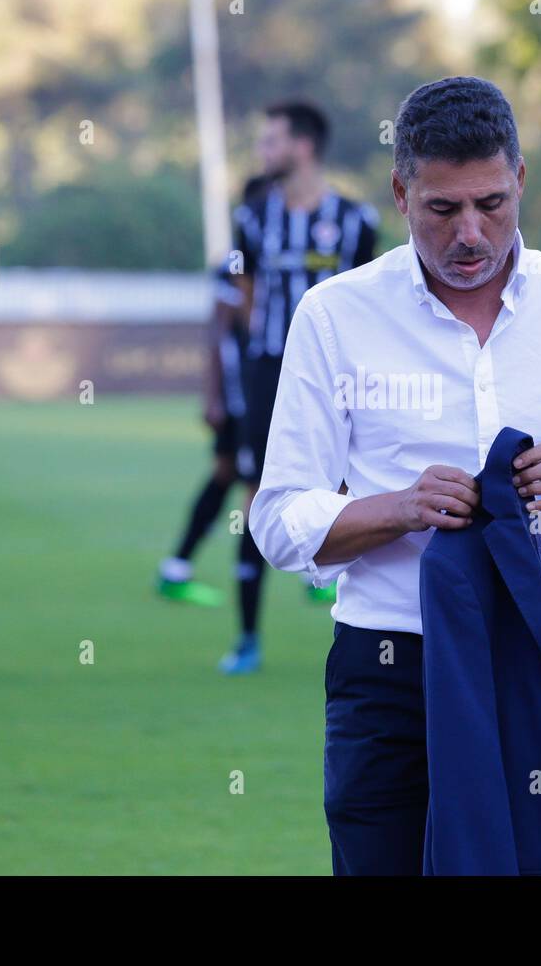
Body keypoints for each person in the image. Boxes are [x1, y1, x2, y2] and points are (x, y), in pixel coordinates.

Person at [247, 76, 541, 874]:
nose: (471, 233)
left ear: (520, 180)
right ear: (400, 192)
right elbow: (278, 518)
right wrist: (399, 508)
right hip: (391, 669)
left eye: (492, 202)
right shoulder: (335, 314)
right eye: (442, 210)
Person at [215, 102, 378, 675]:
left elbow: (368, 298)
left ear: (303, 146)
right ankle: (247, 638)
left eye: (272, 142)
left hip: (340, 374)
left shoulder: (357, 219)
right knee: (260, 491)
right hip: (269, 368)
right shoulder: (254, 218)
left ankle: (361, 620)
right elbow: (241, 294)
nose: (263, 152)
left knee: (349, 485)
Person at [155, 175, 270, 607]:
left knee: (227, 475)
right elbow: (220, 329)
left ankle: (177, 566)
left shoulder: (284, 256)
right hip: (247, 392)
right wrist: (214, 395)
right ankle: (316, 579)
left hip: (264, 386)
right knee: (252, 484)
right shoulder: (239, 263)